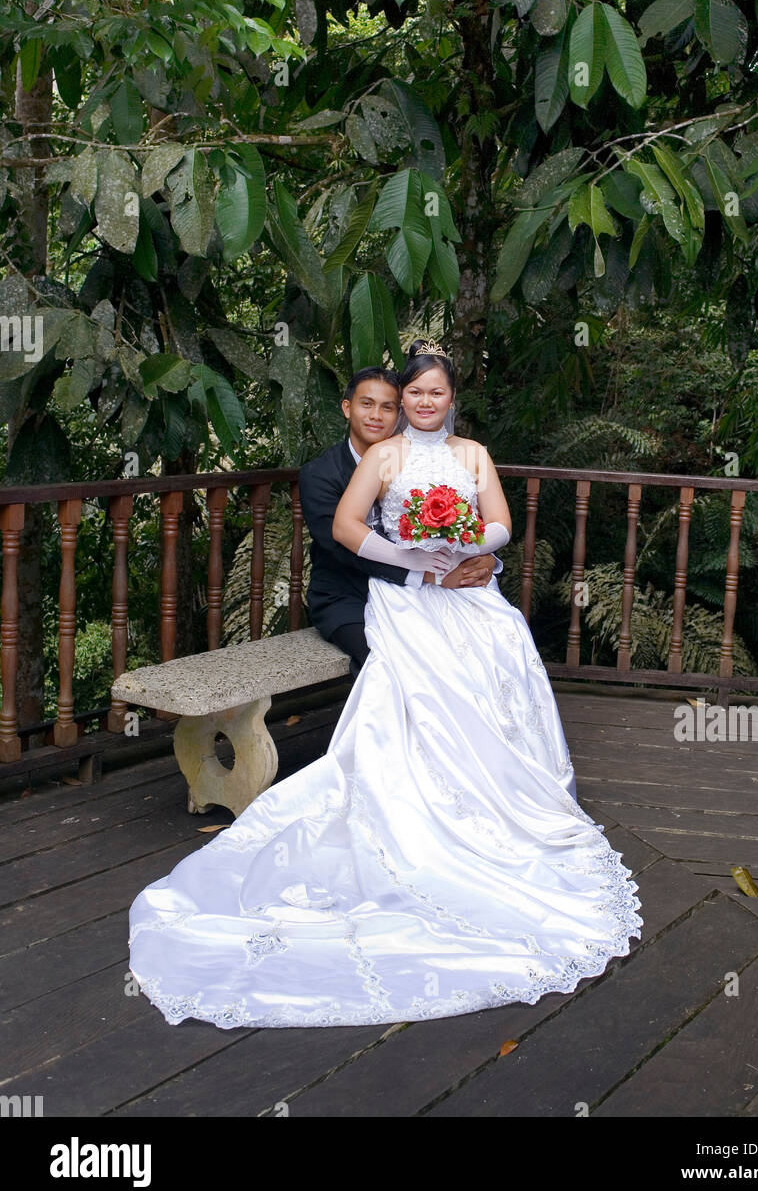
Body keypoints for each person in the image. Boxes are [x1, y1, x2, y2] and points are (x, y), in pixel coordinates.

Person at [127, 340, 642, 1029]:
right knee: (417, 674)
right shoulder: (378, 458)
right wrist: (422, 562)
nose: (420, 404)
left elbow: (499, 524)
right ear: (383, 405)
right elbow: (344, 529)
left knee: (503, 646)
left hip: (464, 588)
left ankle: (500, 790)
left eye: (431, 394)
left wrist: (469, 545)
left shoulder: (474, 455)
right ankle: (416, 799)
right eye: (411, 394)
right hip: (396, 594)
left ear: (450, 399)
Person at [298, 365, 497, 678]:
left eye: (387, 406)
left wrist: (479, 556)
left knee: (463, 649)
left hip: (414, 592)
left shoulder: (414, 463)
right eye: (367, 404)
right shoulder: (319, 474)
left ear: (399, 411)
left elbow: (457, 523)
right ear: (347, 408)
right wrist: (432, 576)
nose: (377, 415)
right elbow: (343, 548)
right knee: (394, 659)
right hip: (349, 596)